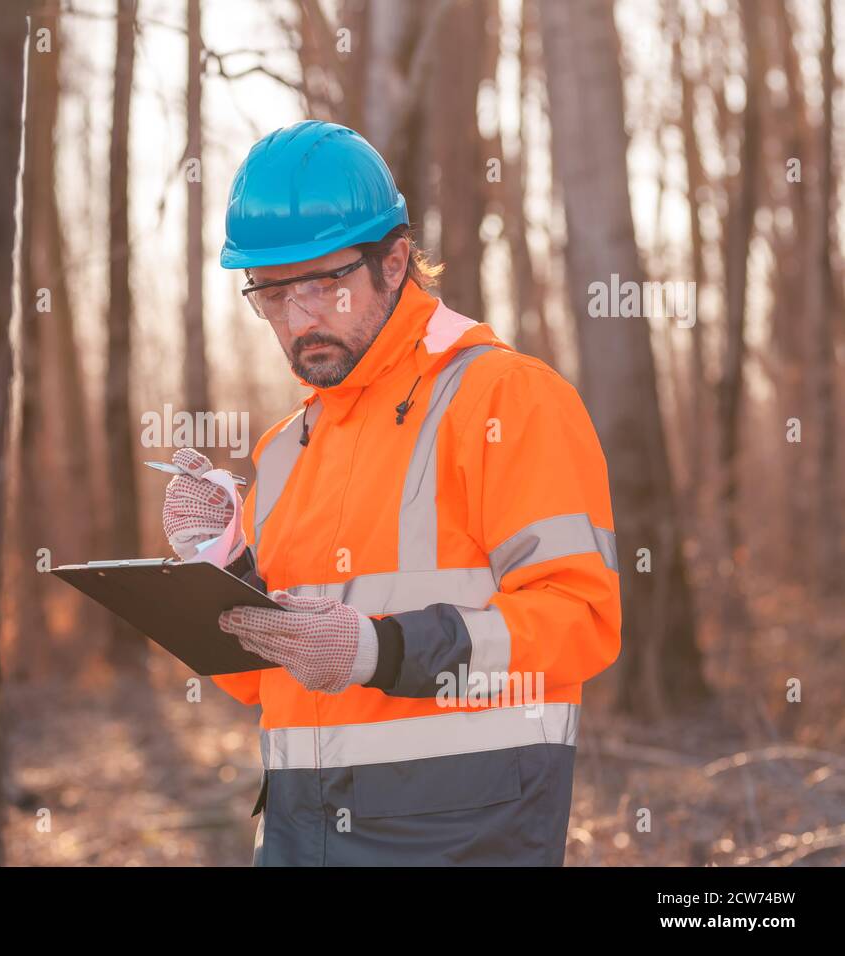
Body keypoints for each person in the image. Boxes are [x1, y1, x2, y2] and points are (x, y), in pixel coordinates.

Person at [161, 120, 621, 866]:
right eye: (273, 293)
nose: (299, 317)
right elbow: (266, 685)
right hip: (297, 841)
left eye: (324, 284)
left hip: (461, 843)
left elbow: (579, 622)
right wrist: (221, 561)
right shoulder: (284, 451)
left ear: (396, 260)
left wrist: (379, 649)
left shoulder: (504, 399)